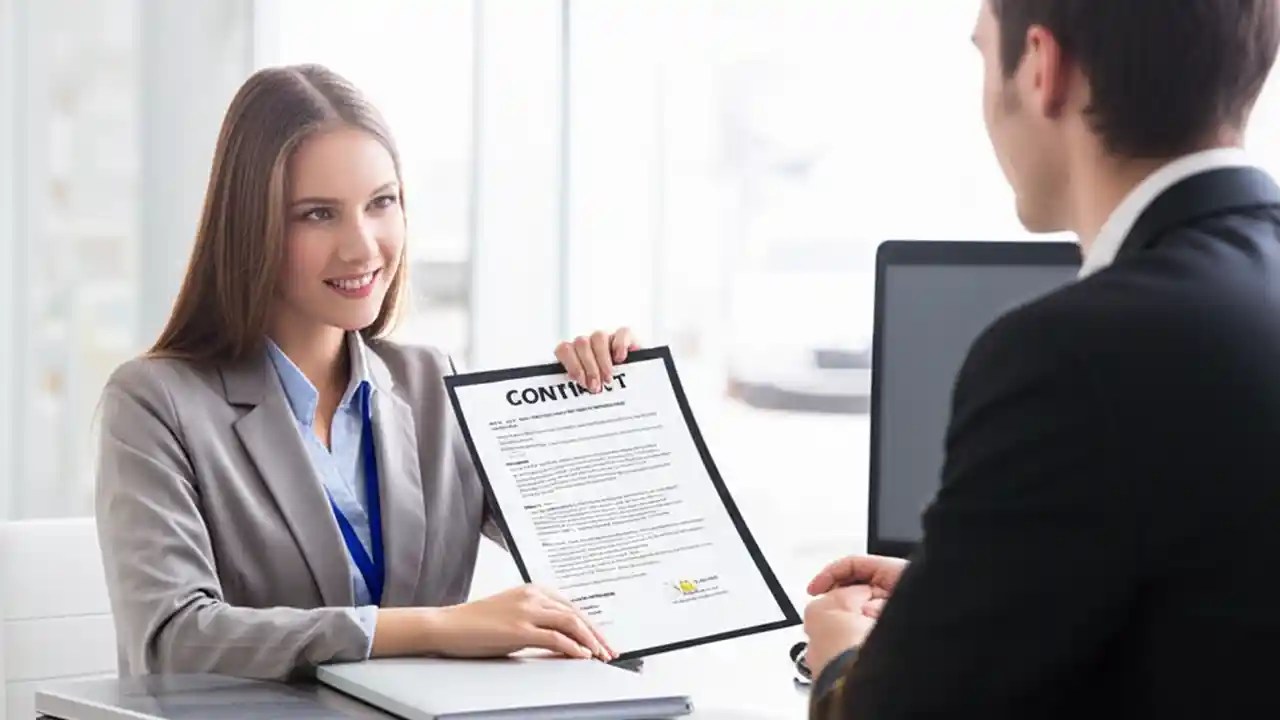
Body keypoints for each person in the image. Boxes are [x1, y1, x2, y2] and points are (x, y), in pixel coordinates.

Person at [802, 1, 1280, 717]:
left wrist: (842, 652)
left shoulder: (1070, 352)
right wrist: (966, 590)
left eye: (981, 55)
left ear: (1041, 68)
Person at [95, 64, 636, 681]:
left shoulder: (430, 383)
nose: (362, 246)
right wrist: (434, 629)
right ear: (251, 225)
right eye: (318, 215)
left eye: (382, 203)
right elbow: (171, 638)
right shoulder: (155, 402)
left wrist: (607, 406)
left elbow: (612, 565)